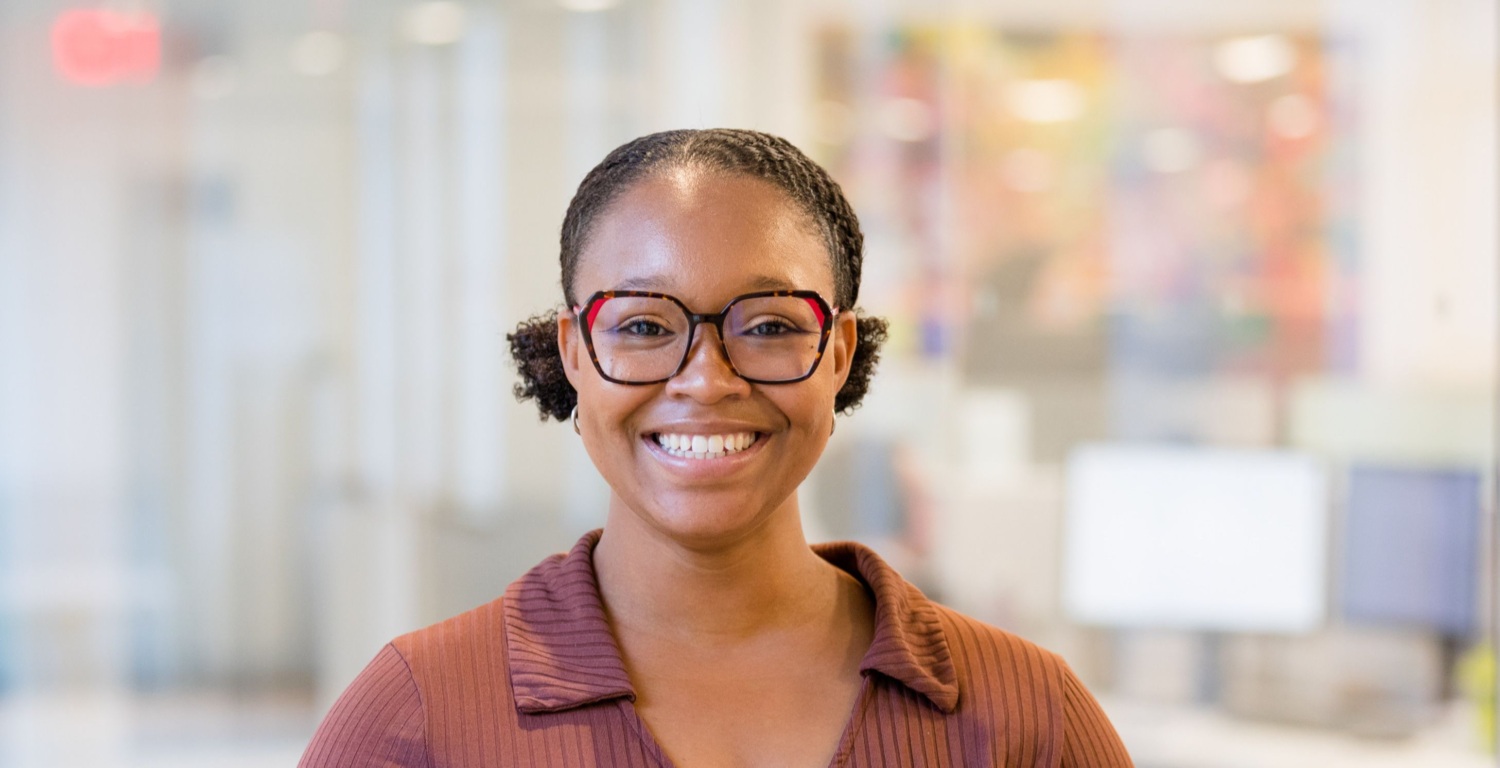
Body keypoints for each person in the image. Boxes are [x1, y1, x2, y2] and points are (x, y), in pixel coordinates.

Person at [300, 129, 1133, 767]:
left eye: (769, 326)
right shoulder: (423, 716)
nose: (705, 379)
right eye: (643, 326)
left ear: (839, 353)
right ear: (573, 353)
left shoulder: (1027, 715)